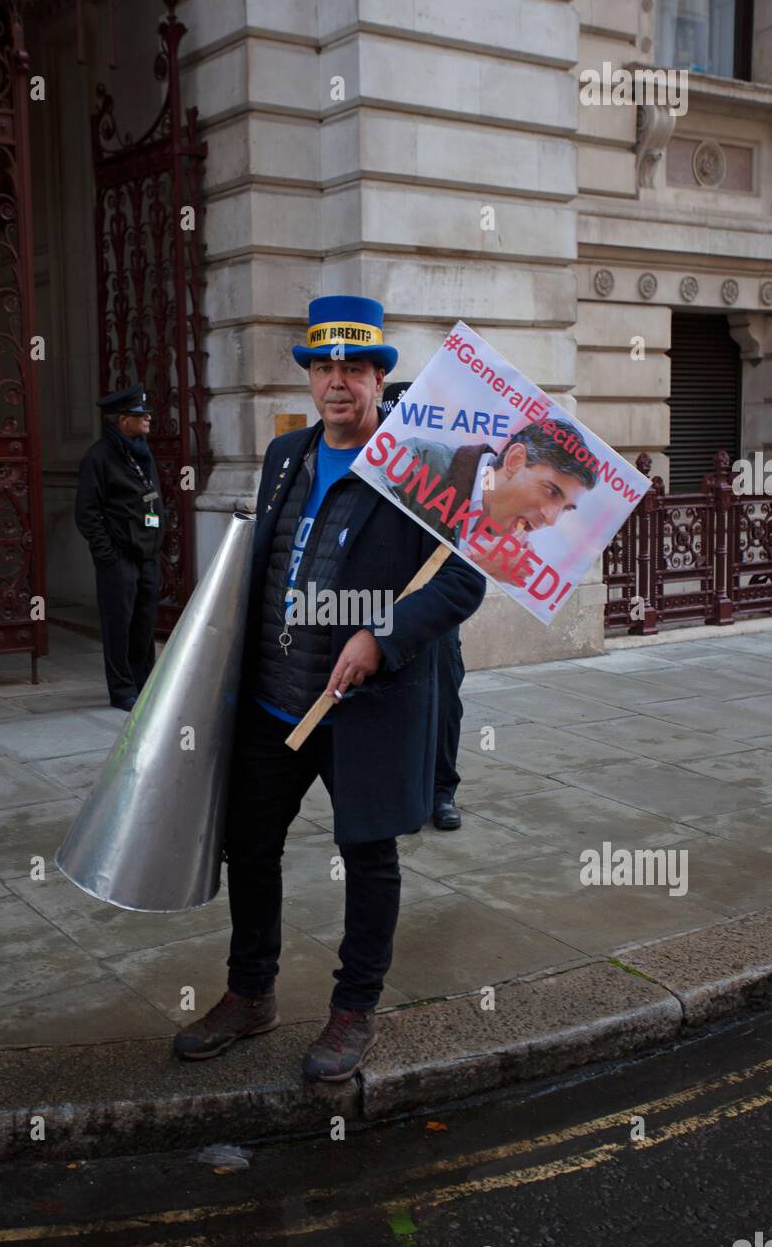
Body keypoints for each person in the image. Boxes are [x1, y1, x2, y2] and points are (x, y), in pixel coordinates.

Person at [173, 296, 486, 1081]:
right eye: (324, 368)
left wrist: (381, 637)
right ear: (311, 378)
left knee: (366, 856)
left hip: (364, 711)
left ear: (381, 377)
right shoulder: (288, 455)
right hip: (278, 702)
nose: (337, 382)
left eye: (355, 368)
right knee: (250, 848)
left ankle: (354, 1012)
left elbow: (461, 583)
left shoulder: (423, 465)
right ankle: (251, 995)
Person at [383, 381, 464, 832]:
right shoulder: (369, 465)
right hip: (379, 601)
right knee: (385, 703)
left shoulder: (446, 460)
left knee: (444, 699)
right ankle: (401, 795)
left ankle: (440, 792)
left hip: (434, 603)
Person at [380, 419, 599, 584]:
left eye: (566, 509)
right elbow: (372, 562)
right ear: (514, 460)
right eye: (551, 491)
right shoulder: (413, 462)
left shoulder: (500, 547)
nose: (551, 519)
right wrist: (472, 564)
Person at [74, 383, 166, 712]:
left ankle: (144, 683)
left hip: (147, 556)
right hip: (119, 559)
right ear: (121, 419)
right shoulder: (99, 457)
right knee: (119, 627)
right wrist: (108, 555)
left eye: (148, 414)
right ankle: (122, 690)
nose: (148, 419)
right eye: (141, 415)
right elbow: (86, 513)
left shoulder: (141, 451)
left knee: (144, 624)